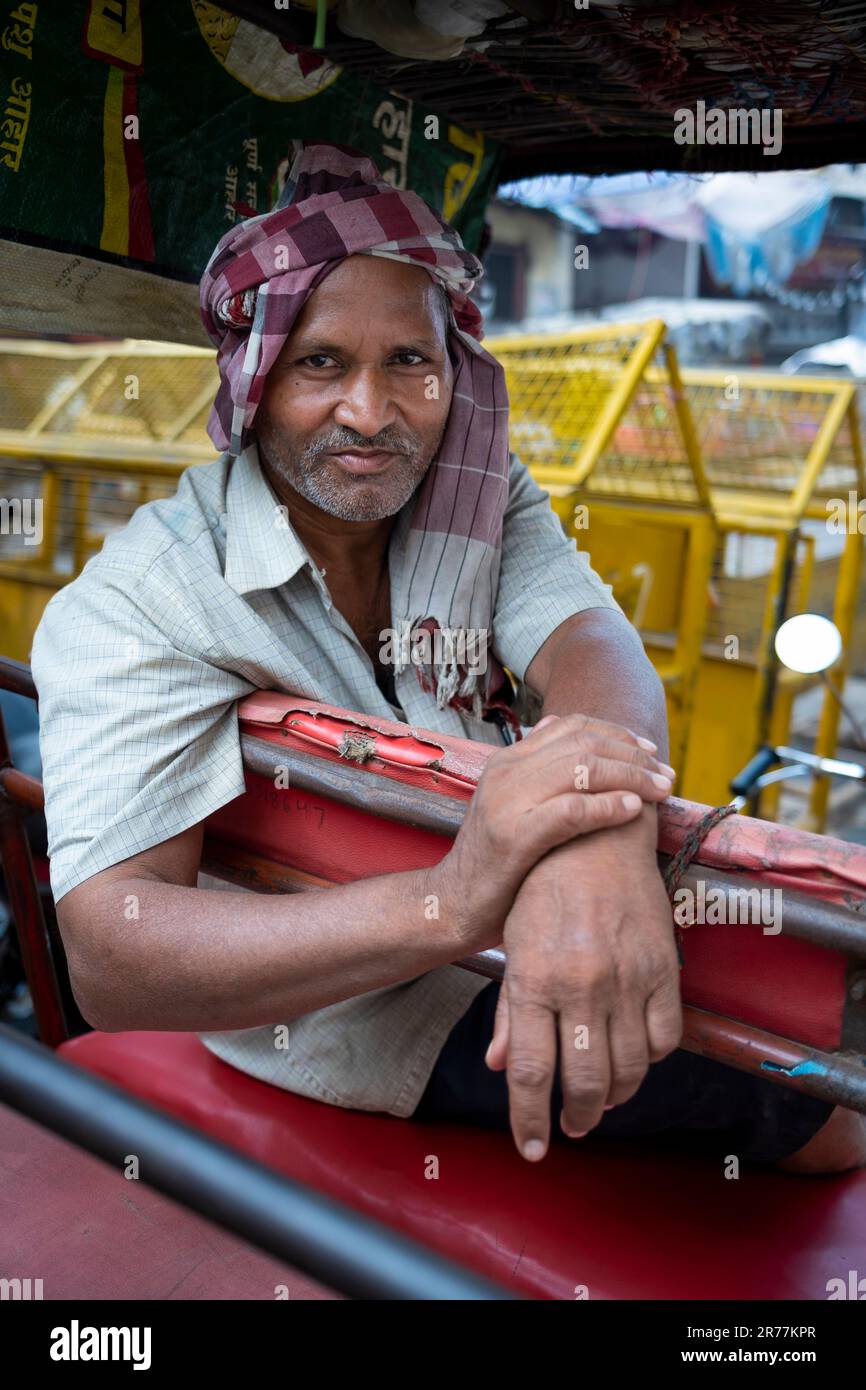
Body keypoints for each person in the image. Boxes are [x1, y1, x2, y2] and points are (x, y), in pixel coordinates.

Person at [31, 143, 864, 1174]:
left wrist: (589, 849)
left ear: (449, 370)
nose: (370, 415)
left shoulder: (471, 493)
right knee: (831, 1123)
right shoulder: (140, 600)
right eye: (320, 363)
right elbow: (114, 958)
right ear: (254, 380)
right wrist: (457, 898)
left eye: (408, 364)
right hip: (367, 1013)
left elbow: (592, 647)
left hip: (526, 916)